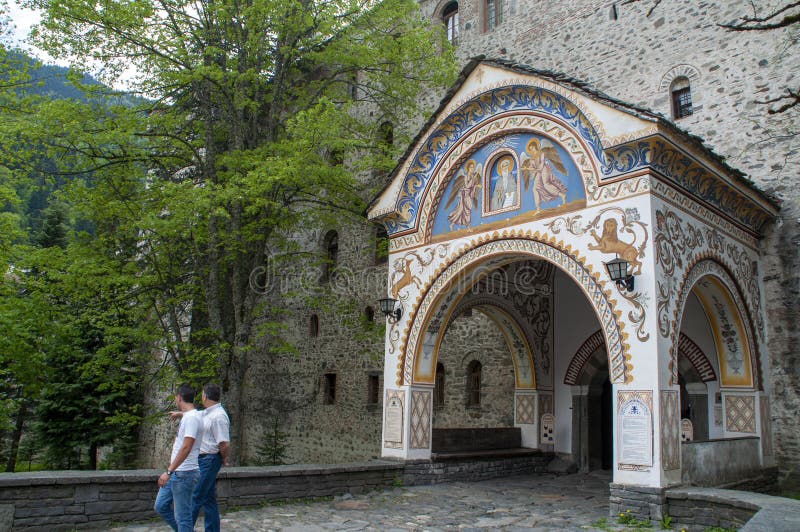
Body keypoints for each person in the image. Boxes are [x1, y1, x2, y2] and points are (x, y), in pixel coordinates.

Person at [154, 384, 203, 532]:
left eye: (176, 397)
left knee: (183, 517)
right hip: (177, 472)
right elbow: (195, 414)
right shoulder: (192, 416)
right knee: (160, 506)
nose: (175, 399)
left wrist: (168, 471)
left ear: (179, 397)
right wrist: (179, 413)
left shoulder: (192, 419)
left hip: (184, 473)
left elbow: (186, 447)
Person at [191, 383, 231, 532]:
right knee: (209, 499)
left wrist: (224, 458)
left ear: (205, 396)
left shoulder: (219, 416)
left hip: (210, 459)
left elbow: (224, 443)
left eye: (202, 394)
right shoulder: (207, 412)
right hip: (203, 459)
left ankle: (184, 528)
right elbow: (195, 414)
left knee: (196, 496)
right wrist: (179, 413)